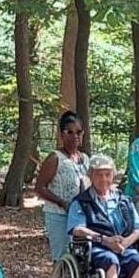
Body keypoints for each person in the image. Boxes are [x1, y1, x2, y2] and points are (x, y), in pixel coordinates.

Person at [66, 155, 139, 278]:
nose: (104, 179)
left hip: (123, 246)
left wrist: (125, 243)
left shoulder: (124, 200)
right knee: (110, 260)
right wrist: (104, 240)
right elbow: (77, 229)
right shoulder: (82, 202)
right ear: (91, 176)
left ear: (113, 176)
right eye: (99, 175)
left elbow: (138, 228)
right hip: (96, 248)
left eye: (107, 174)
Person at [33, 111, 89, 261]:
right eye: (69, 132)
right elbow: (40, 188)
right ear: (62, 135)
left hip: (80, 216)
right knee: (62, 257)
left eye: (78, 132)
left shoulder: (85, 159)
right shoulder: (55, 158)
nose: (75, 136)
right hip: (59, 215)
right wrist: (61, 202)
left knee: (81, 257)